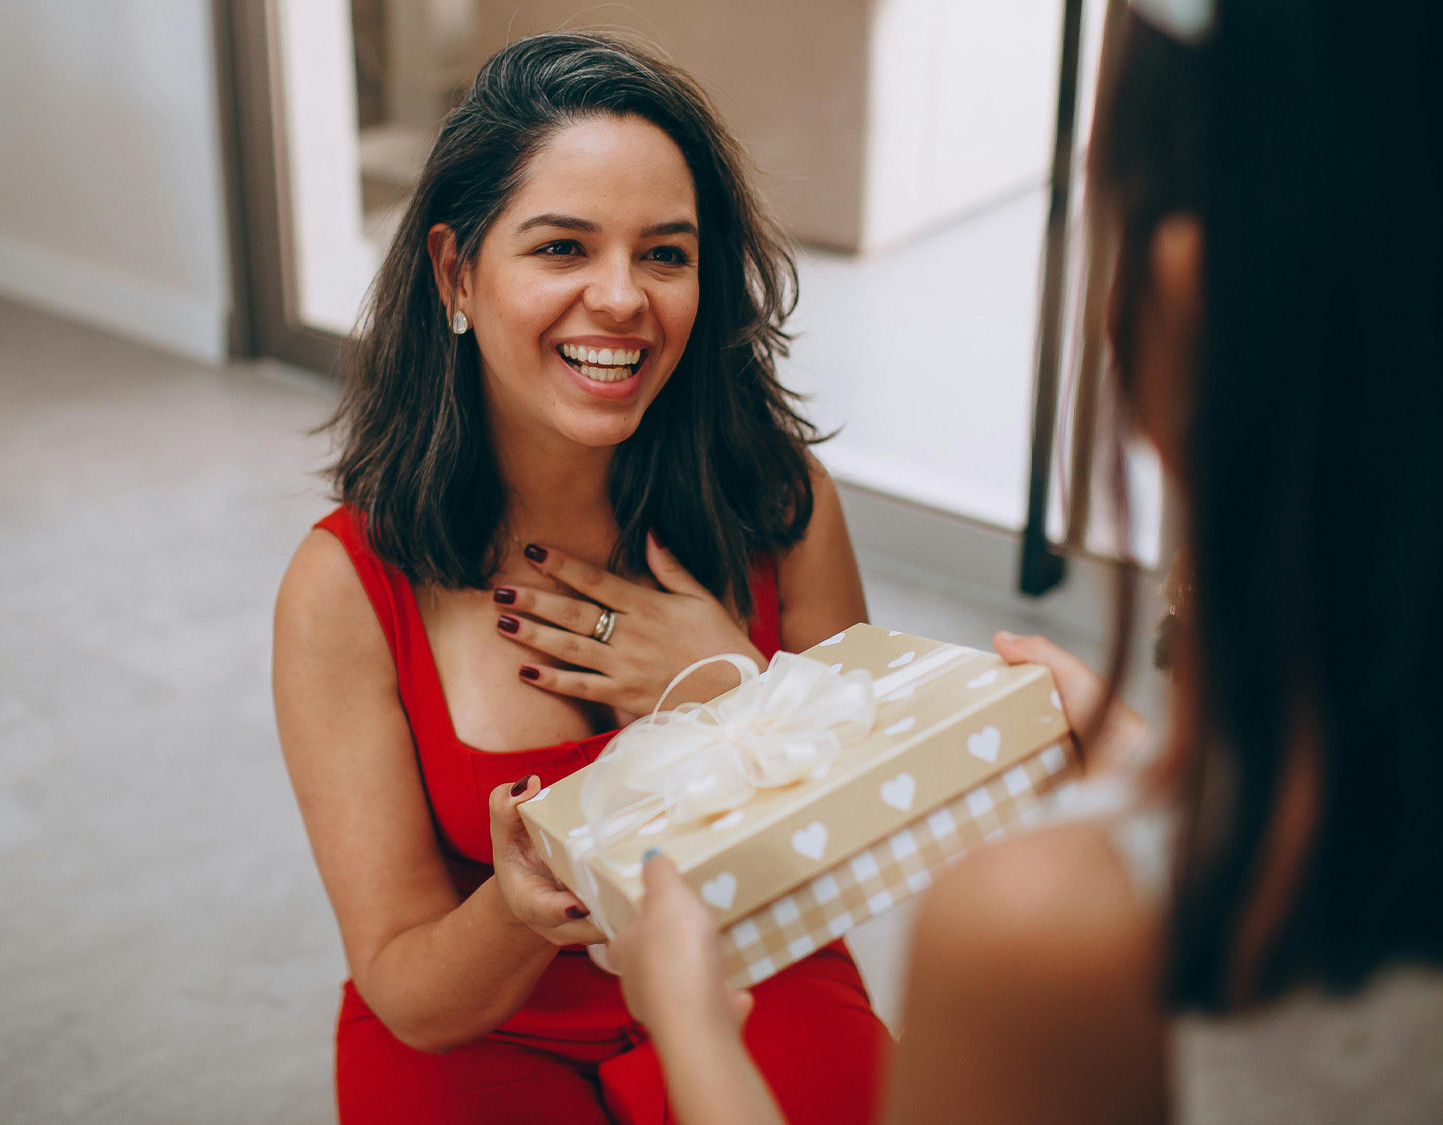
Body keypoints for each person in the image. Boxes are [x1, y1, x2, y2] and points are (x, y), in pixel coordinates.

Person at [603, 0, 1443, 1121]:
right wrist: (1141, 752)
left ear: (1184, 294)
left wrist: (697, 1034)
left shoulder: (1059, 935)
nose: (619, 297)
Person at [271, 32, 890, 1125]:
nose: (622, 300)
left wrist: (734, 687)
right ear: (456, 271)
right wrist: (520, 907)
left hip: (748, 958)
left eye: (665, 253)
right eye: (562, 248)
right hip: (479, 1014)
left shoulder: (780, 503)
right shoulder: (342, 590)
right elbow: (409, 991)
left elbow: (852, 856)